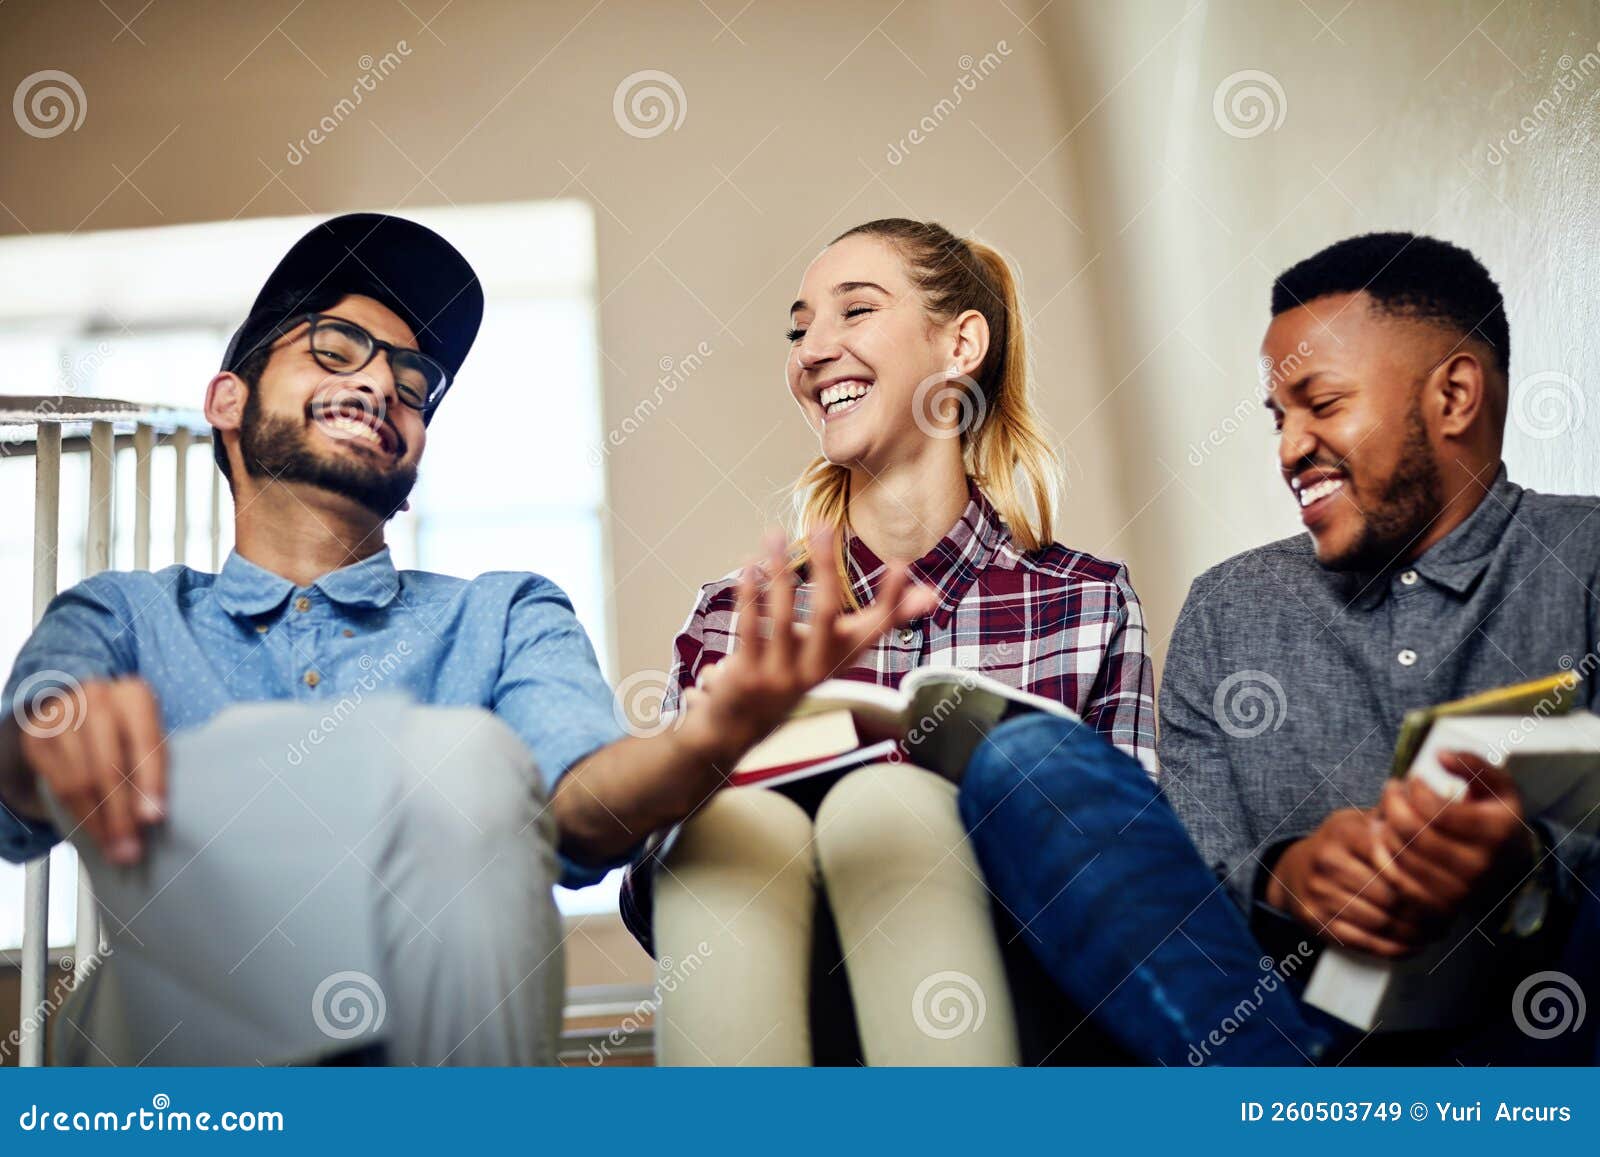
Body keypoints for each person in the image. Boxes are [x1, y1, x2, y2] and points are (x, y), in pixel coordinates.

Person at [0, 213, 928, 1066]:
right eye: (335, 347)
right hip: (182, 1085)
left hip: (432, 1047)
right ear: (227, 399)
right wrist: (45, 739)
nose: (378, 383)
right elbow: (12, 794)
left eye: (414, 383)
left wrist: (710, 737)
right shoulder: (121, 617)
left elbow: (582, 814)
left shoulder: (505, 612)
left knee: (473, 765)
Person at [958, 232, 1600, 1065]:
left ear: (1455, 396)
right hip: (1295, 1046)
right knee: (1027, 764)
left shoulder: (1585, 558)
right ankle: (1294, 1117)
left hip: (1554, 1038)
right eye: (1279, 417)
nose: (1290, 448)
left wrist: (1527, 864)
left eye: (1322, 404)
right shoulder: (1230, 609)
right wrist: (1285, 876)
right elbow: (1181, 873)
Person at [619, 218, 1157, 1066]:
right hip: (787, 1001)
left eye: (854, 312)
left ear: (960, 344)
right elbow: (653, 892)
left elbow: (1138, 890)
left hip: (1032, 1023)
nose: (812, 350)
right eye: (799, 329)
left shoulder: (1083, 605)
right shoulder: (734, 618)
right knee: (731, 825)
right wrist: (711, 770)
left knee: (888, 807)